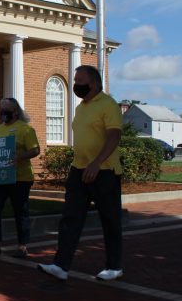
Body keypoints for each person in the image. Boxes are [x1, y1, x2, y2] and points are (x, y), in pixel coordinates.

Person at [37, 65, 124, 282]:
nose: (76, 85)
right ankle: (60, 265)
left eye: (79, 81)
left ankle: (114, 267)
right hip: (79, 170)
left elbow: (114, 137)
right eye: (75, 81)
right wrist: (79, 165)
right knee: (70, 218)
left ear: (94, 83)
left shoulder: (108, 105)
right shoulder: (80, 108)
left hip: (104, 171)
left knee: (110, 220)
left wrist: (96, 163)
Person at [0, 97, 40, 259]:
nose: (3, 113)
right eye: (1, 109)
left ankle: (22, 246)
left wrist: (19, 157)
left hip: (20, 178)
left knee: (20, 211)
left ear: (15, 112)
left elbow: (35, 150)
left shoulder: (25, 129)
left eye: (6, 110)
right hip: (0, 178)